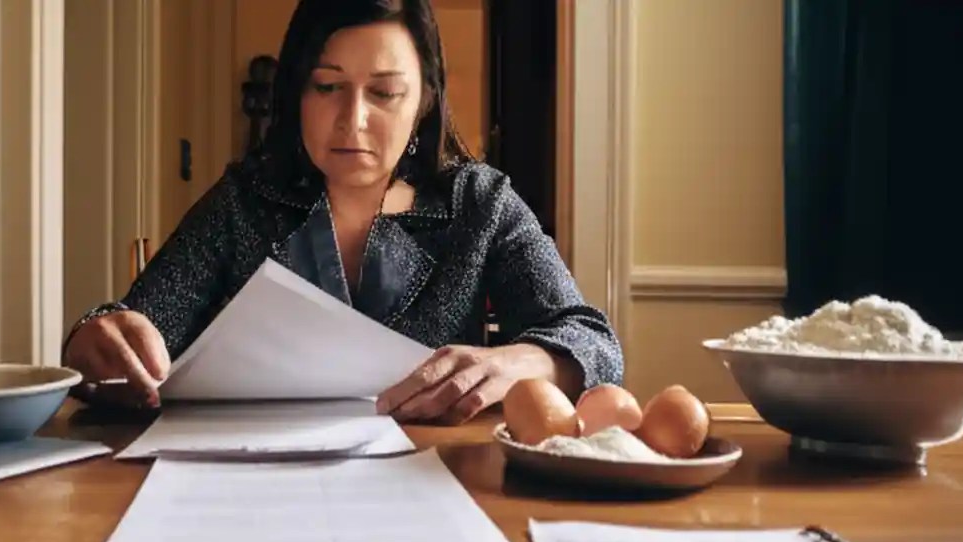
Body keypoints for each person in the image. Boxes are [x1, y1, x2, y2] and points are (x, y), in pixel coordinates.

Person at [63, 0, 623, 424]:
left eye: (383, 94)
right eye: (327, 86)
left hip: (429, 479)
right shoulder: (244, 200)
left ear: (425, 99)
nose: (351, 120)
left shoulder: (478, 203)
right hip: (256, 482)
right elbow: (133, 330)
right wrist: (96, 339)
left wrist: (525, 362)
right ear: (296, 92)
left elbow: (593, 341)